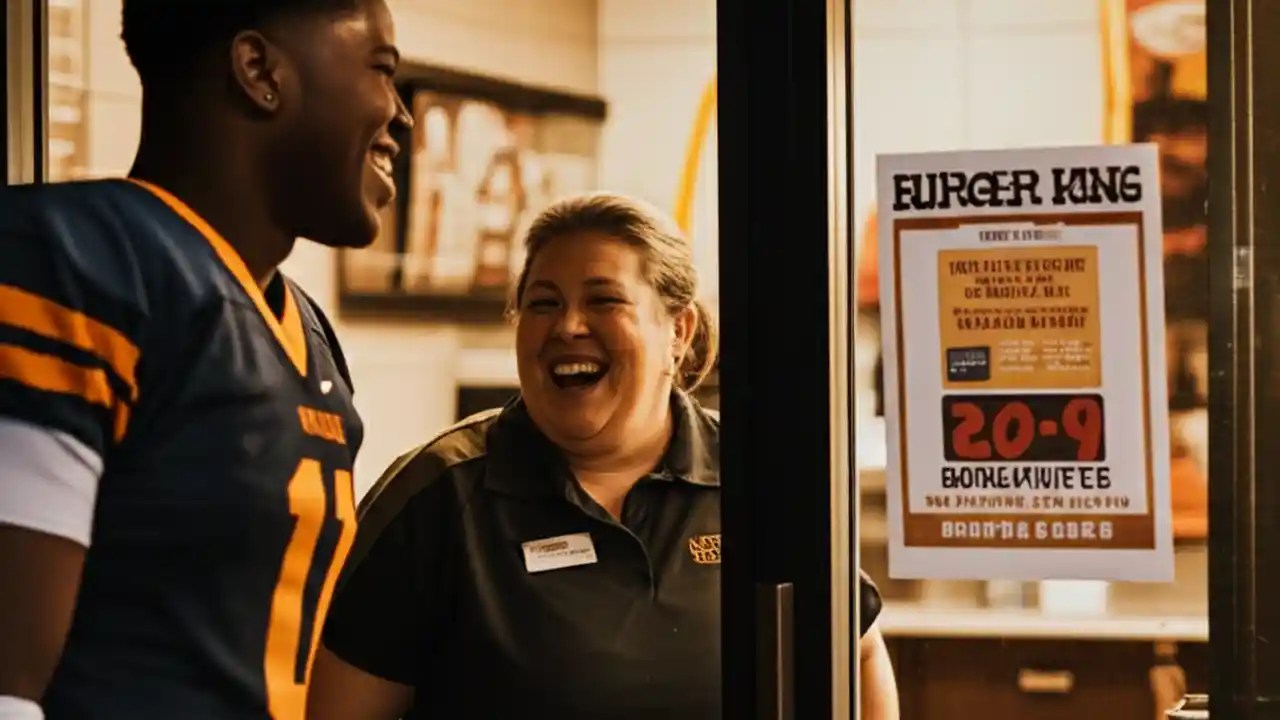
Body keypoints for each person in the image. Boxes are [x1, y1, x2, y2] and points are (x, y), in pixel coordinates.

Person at [306, 192, 897, 718]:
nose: (567, 326)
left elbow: (859, 649)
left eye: (603, 300)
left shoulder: (757, 475)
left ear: (679, 332)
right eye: (542, 303)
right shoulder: (438, 495)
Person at [0, 1, 411, 718]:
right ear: (259, 71)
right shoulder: (69, 262)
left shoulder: (304, 328)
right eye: (381, 70)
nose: (401, 115)